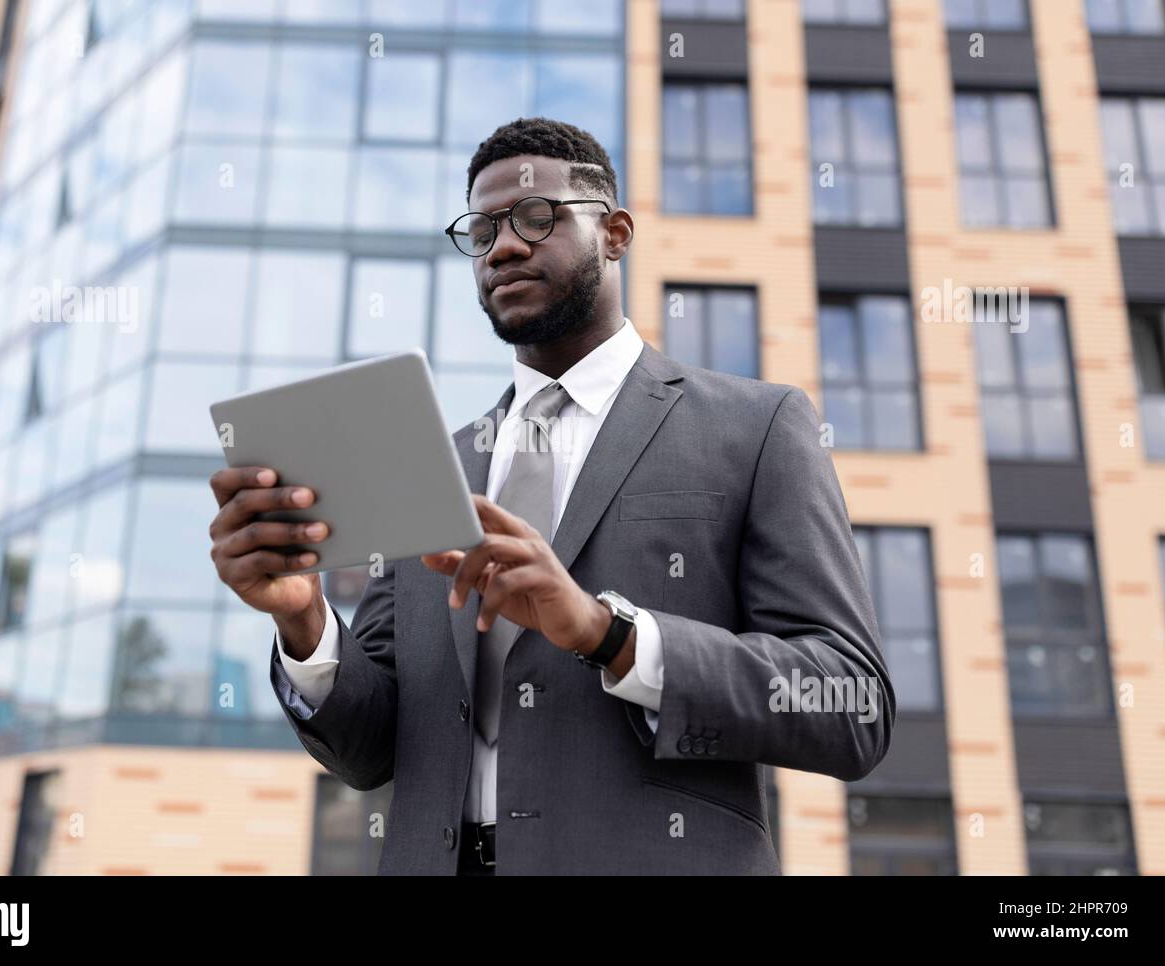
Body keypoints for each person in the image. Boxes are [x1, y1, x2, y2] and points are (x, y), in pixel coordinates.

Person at [207, 117, 894, 875]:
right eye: (482, 230)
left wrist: (609, 634)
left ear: (616, 233)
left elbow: (849, 703)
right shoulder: (431, 465)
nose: (502, 247)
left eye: (536, 218)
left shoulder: (755, 428)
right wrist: (304, 619)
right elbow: (370, 752)